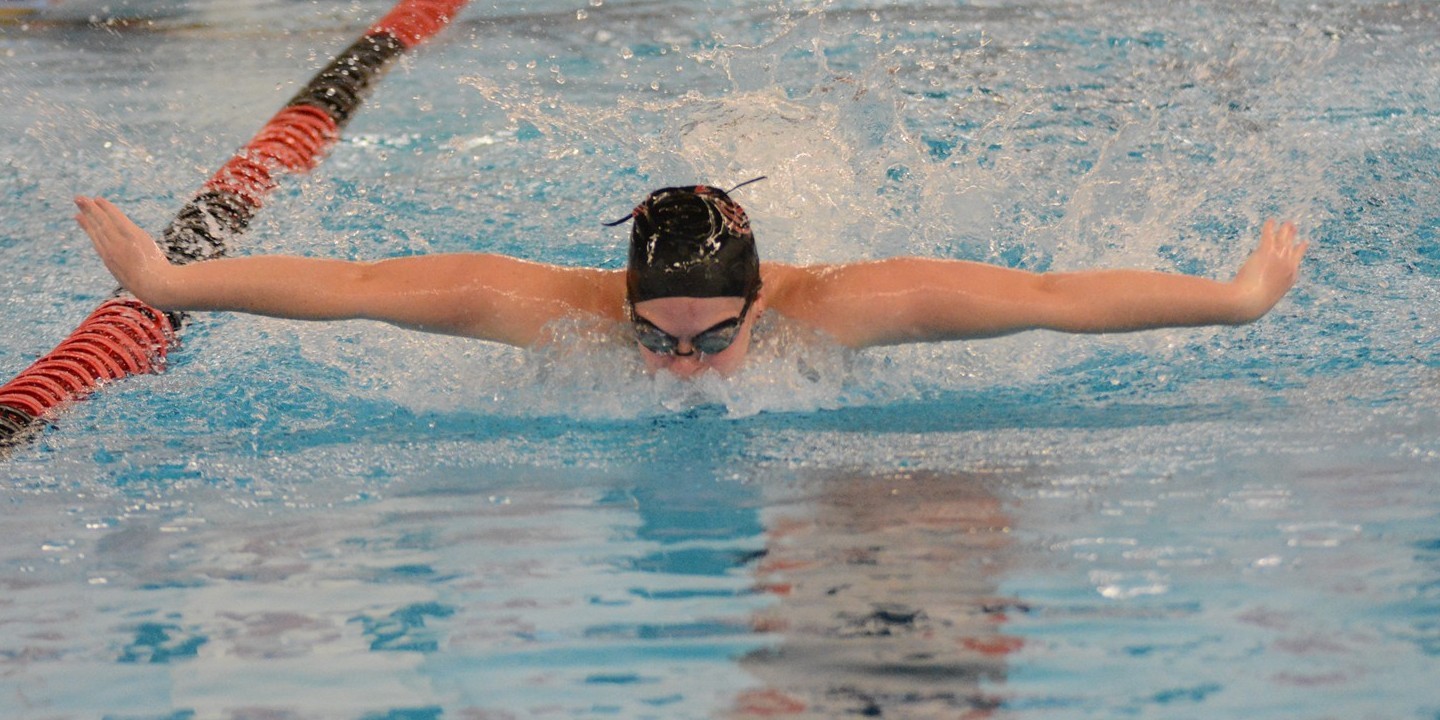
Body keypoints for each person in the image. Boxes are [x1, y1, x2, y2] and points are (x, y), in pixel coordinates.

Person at [74, 183, 1307, 379]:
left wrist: (1241, 295)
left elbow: (1057, 297)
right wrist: (173, 277)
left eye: (713, 340)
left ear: (759, 305)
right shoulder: (536, 306)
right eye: (653, 339)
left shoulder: (856, 307)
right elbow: (349, 283)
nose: (682, 368)